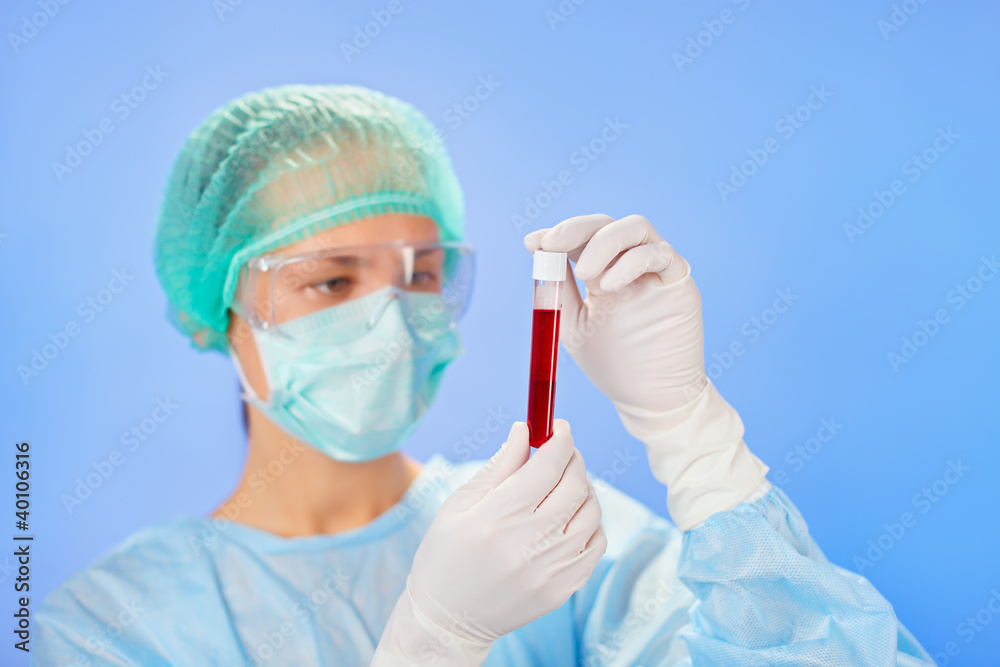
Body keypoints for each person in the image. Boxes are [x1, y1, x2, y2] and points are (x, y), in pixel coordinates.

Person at [35, 85, 934, 666]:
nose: (391, 317)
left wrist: (687, 429)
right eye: (332, 280)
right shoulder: (113, 626)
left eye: (422, 273)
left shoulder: (568, 546)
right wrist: (435, 638)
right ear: (216, 307)